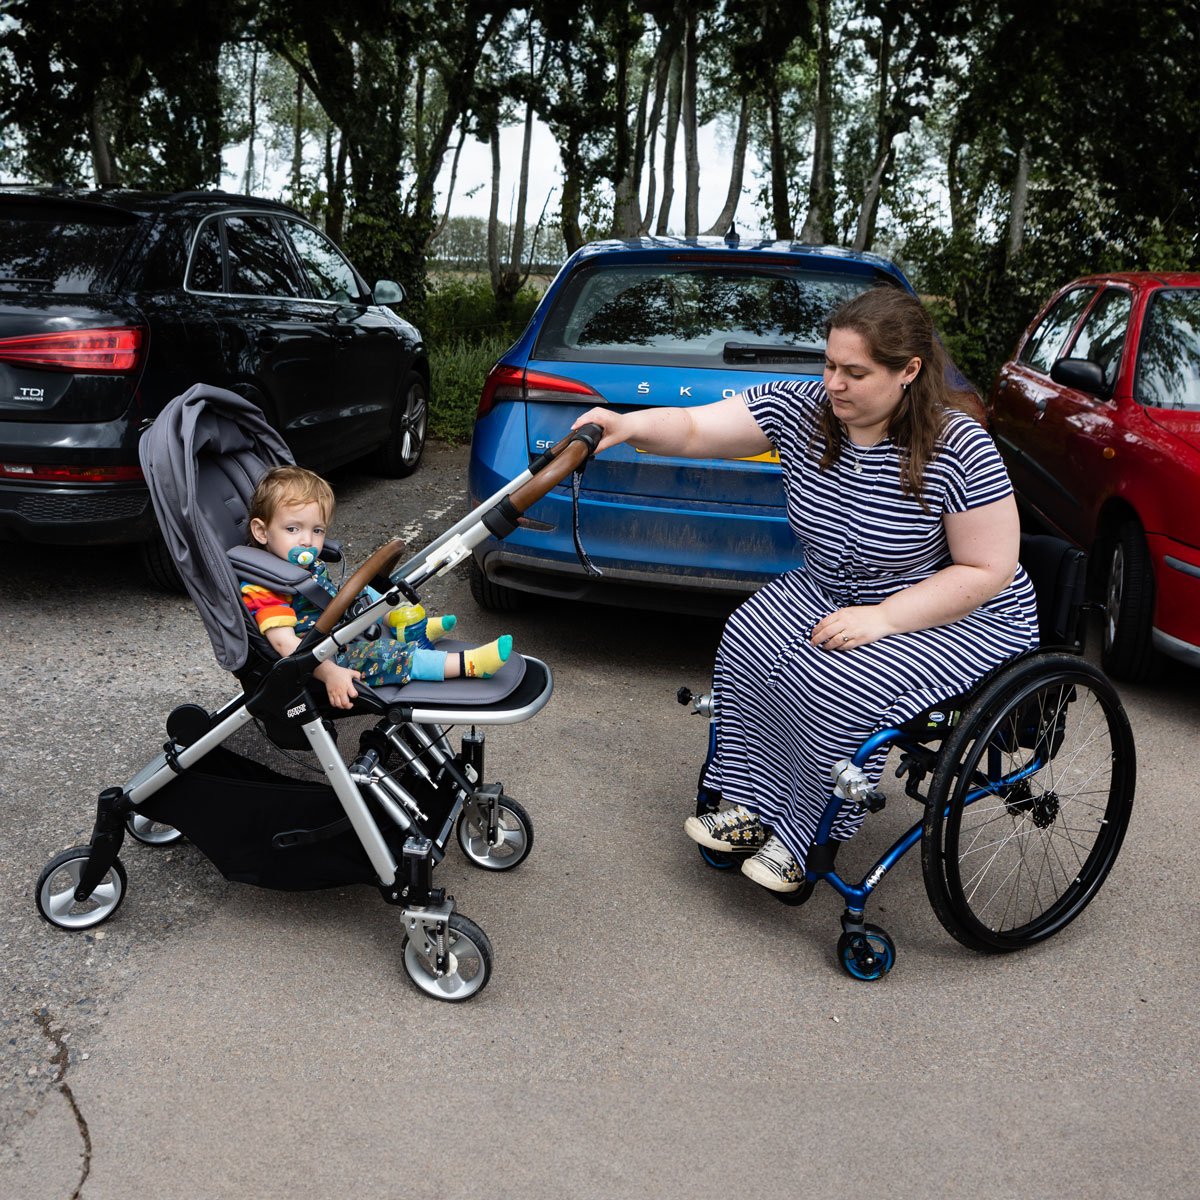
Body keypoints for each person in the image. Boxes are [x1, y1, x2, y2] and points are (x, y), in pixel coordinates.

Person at [573, 287, 1039, 893]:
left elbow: (988, 570)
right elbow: (691, 428)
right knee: (748, 638)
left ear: (909, 372)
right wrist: (626, 423)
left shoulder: (959, 445)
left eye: (855, 372)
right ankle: (748, 807)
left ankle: (802, 842)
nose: (834, 384)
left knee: (837, 676)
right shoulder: (800, 412)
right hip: (835, 585)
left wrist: (884, 619)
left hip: (951, 607)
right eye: (829, 364)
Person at [240, 465, 512, 710]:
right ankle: (469, 665)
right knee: (393, 657)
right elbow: (285, 644)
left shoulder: (300, 566)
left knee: (361, 591)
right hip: (327, 658)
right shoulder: (264, 586)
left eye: (318, 530)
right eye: (292, 529)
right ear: (262, 532)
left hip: (335, 630)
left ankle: (406, 625)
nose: (308, 540)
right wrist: (329, 672)